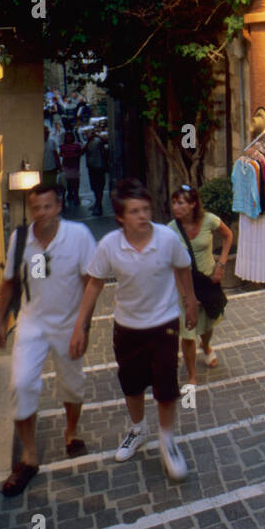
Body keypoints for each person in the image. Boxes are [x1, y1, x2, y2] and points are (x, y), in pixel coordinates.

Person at [69, 178, 198, 481]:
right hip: (127, 327)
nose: (143, 216)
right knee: (132, 386)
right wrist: (80, 326)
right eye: (135, 211)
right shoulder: (109, 246)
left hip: (164, 323)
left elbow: (183, 267)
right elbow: (94, 286)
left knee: (166, 387)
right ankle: (137, 430)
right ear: (121, 217)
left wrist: (190, 301)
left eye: (146, 209)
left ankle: (167, 439)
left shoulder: (167, 238)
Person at [0, 184, 96, 497]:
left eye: (48, 207)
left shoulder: (78, 236)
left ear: (59, 206)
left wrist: (83, 326)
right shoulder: (20, 239)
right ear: (31, 208)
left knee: (72, 385)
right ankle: (29, 455)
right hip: (32, 323)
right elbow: (10, 282)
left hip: (69, 323)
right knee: (21, 383)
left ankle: (71, 430)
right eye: (37, 208)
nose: (42, 214)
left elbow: (92, 281)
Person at [169, 184, 233, 383]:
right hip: (183, 286)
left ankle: (205, 347)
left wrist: (221, 263)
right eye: (174, 203)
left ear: (192, 204)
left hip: (207, 281)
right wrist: (187, 296)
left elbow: (228, 235)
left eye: (180, 203)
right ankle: (192, 375)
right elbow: (171, 265)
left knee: (207, 324)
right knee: (188, 333)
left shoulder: (209, 220)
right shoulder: (171, 229)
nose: (175, 207)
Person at [84, 128, 109, 216]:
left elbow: (105, 141)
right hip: (91, 167)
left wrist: (97, 135)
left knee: (99, 186)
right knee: (94, 186)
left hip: (99, 166)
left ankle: (98, 205)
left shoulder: (98, 141)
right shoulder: (88, 143)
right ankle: (97, 203)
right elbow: (83, 151)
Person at [59, 128, 84, 209]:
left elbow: (80, 153)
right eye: (67, 137)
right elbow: (61, 154)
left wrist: (75, 156)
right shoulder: (63, 146)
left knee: (75, 182)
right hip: (66, 167)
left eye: (70, 136)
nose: (68, 138)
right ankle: (65, 197)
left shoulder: (76, 146)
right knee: (65, 182)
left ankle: (76, 195)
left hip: (75, 167)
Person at [42, 125, 61, 189]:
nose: (47, 134)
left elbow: (56, 155)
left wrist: (59, 166)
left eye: (48, 133)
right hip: (43, 169)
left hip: (52, 168)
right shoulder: (39, 144)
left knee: (53, 185)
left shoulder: (52, 142)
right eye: (45, 133)